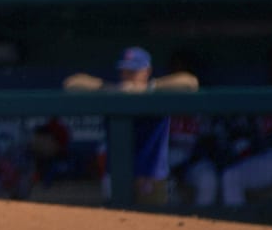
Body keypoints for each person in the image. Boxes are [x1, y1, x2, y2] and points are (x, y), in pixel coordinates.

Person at [64, 46, 198, 205]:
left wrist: (147, 88)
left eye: (133, 71)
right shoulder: (114, 94)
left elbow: (191, 83)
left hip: (151, 174)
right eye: (124, 70)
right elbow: (71, 83)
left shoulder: (159, 93)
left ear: (147, 71)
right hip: (116, 174)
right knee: (115, 217)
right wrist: (110, 88)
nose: (127, 76)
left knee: (151, 218)